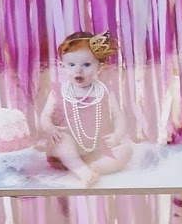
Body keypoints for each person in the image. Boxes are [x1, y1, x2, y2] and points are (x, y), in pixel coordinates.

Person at [40, 30, 132, 187]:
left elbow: (119, 116)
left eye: (86, 64)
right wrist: (49, 128)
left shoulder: (104, 91)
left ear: (99, 67)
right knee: (63, 141)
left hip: (96, 150)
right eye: (71, 65)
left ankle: (93, 168)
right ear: (63, 66)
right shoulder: (59, 91)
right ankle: (81, 170)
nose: (78, 70)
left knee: (126, 150)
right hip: (64, 152)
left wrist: (116, 136)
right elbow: (45, 116)